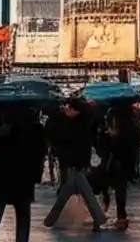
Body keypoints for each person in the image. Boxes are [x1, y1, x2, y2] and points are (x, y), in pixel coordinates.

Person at [0, 104, 46, 242]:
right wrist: (35, 176)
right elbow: (39, 153)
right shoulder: (33, 125)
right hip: (23, 177)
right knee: (23, 216)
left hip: (0, 178)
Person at [43, 98, 106, 231]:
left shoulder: (76, 125)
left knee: (79, 192)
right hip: (79, 162)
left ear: (75, 110)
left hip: (75, 162)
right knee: (79, 191)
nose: (67, 110)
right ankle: (98, 218)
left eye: (69, 108)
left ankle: (98, 217)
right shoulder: (84, 122)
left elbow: (67, 141)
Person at [103, 102, 140, 231]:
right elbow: (139, 138)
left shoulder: (116, 116)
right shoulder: (133, 118)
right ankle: (120, 215)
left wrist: (113, 135)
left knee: (115, 186)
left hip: (117, 157)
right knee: (120, 187)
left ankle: (119, 216)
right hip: (127, 159)